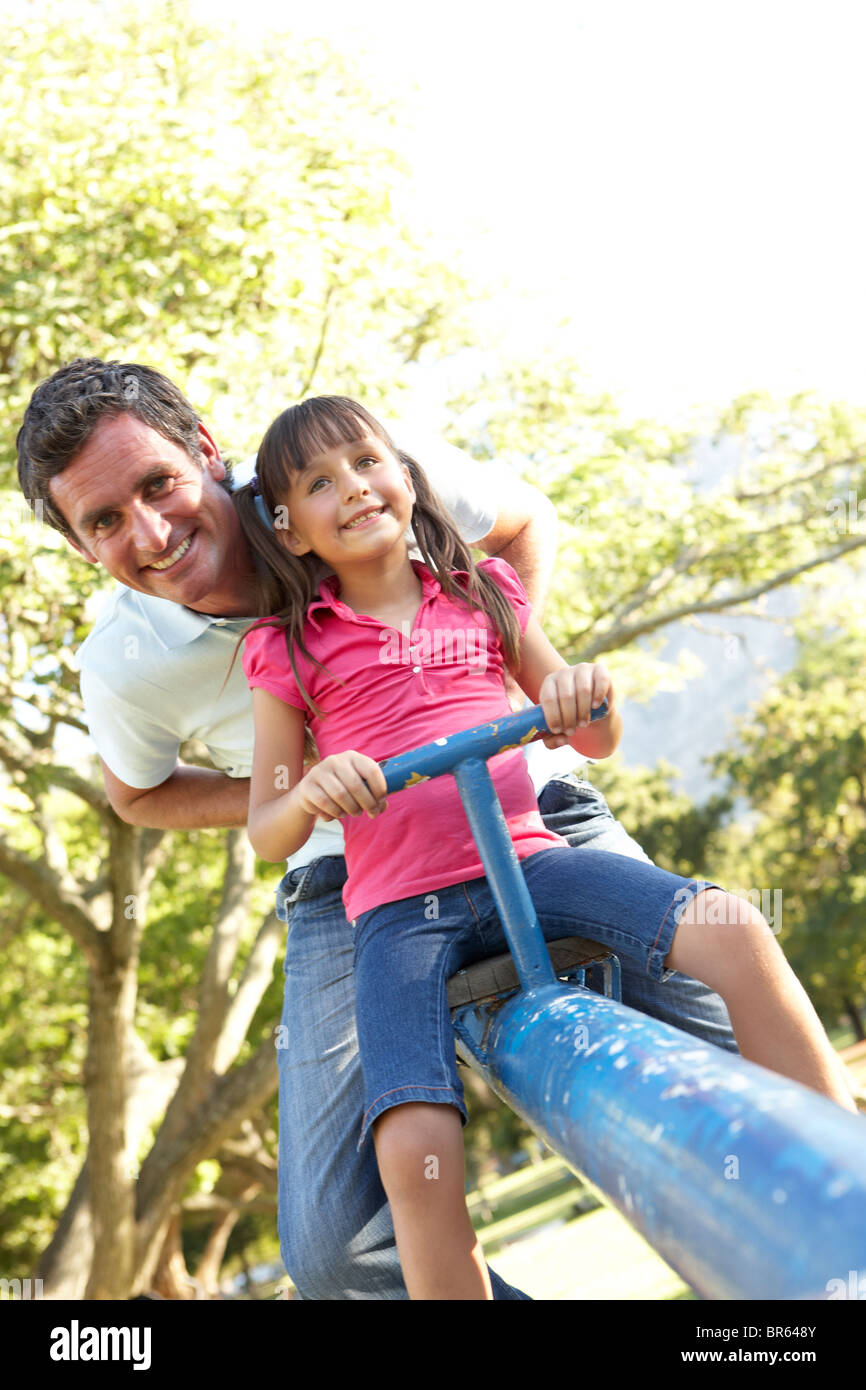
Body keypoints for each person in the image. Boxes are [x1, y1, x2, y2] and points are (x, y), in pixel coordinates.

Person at [15, 356, 757, 1301]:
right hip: (350, 885)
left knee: (722, 1025)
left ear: (206, 451)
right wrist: (289, 795)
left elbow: (524, 522)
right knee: (332, 1250)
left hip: (522, 810)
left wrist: (497, 684)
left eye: (158, 484)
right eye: (105, 522)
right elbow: (137, 793)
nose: (151, 531)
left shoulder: (358, 473)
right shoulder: (122, 666)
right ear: (84, 549)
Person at [235, 393, 857, 1300]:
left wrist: (584, 697)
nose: (355, 489)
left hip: (531, 861)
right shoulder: (288, 648)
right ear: (291, 532)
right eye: (320, 484)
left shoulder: (483, 592)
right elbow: (266, 825)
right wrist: (314, 792)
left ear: (406, 477)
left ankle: (844, 1186)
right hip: (402, 914)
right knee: (413, 1150)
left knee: (732, 927)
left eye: (368, 463)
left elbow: (592, 735)